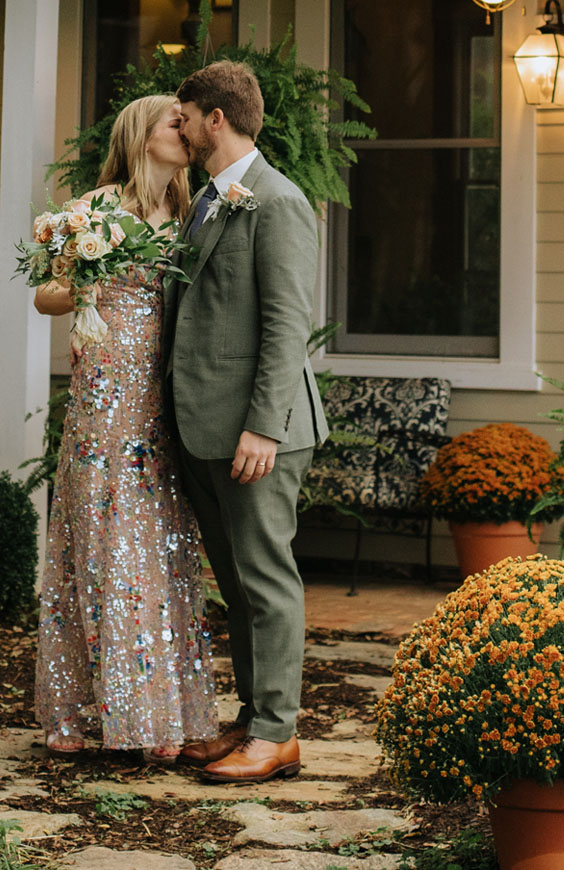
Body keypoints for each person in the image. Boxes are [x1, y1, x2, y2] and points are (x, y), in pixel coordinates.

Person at [33, 94, 218, 764]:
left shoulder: (195, 213)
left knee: (158, 544)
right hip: (106, 398)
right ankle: (77, 708)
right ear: (143, 134)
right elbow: (44, 293)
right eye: (177, 123)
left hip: (167, 399)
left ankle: (155, 710)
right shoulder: (96, 209)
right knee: (102, 539)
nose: (189, 132)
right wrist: (88, 278)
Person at [165, 60, 328, 784]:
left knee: (266, 580)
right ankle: (252, 717)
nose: (182, 128)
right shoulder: (208, 200)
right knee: (235, 584)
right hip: (204, 424)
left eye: (186, 115)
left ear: (216, 119)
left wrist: (263, 426)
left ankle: (278, 733)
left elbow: (288, 325)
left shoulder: (278, 201)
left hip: (259, 433)